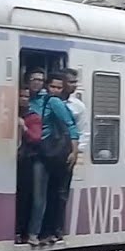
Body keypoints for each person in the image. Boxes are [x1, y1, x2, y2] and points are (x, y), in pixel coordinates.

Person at [26, 74, 79, 246]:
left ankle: (37, 233)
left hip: (48, 153)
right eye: (52, 86)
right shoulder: (34, 99)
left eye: (59, 87)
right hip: (38, 152)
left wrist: (74, 150)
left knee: (44, 195)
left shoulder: (54, 102)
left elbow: (70, 124)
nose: (55, 90)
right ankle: (37, 232)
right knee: (39, 194)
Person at [46, 68, 89, 241]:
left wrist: (76, 152)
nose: (73, 86)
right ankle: (44, 229)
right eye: (70, 82)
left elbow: (83, 132)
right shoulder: (48, 101)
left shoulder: (77, 106)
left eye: (74, 82)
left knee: (61, 193)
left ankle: (57, 229)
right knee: (45, 192)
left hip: (66, 154)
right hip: (47, 152)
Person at [15, 86, 36, 244]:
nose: (24, 99)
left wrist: (24, 127)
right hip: (12, 161)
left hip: (26, 160)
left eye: (26, 96)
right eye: (21, 95)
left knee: (24, 197)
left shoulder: (33, 116)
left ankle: (21, 230)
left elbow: (36, 138)